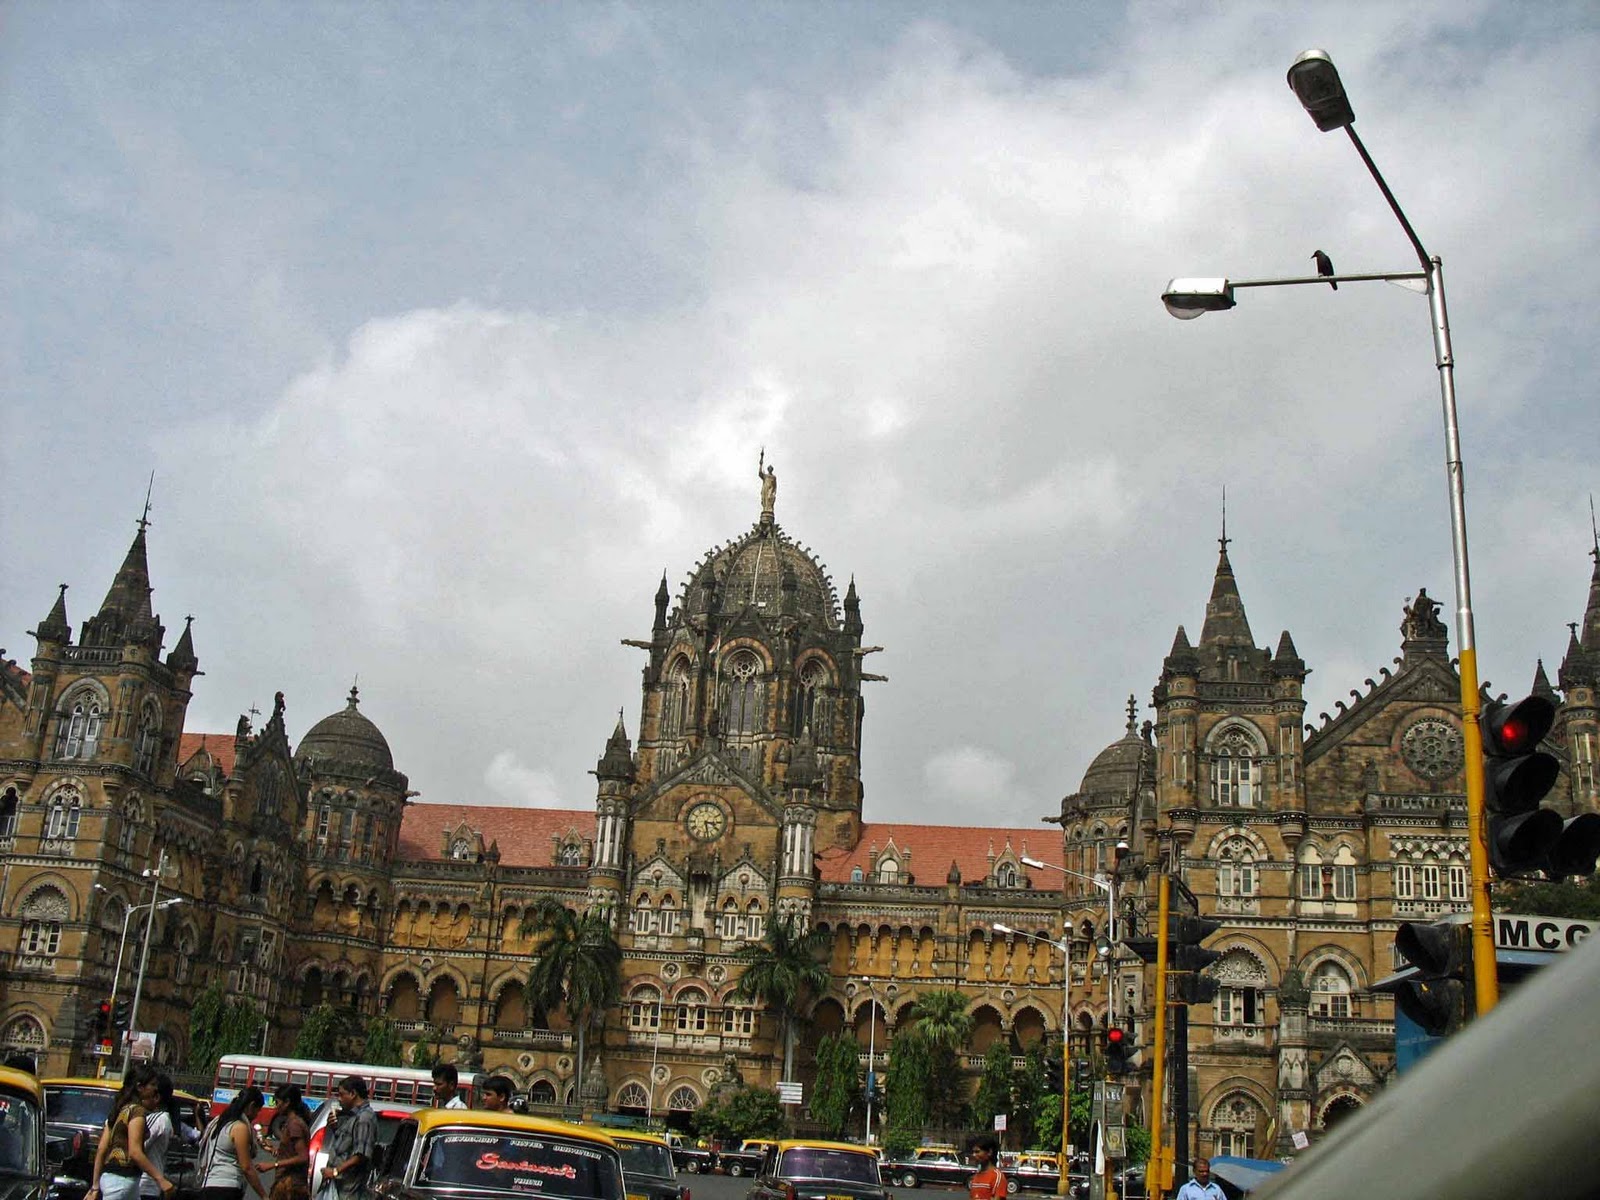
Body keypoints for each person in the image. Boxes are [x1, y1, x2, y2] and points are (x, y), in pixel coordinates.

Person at [88, 1065, 176, 1200]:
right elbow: (135, 1152)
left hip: (111, 1179)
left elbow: (101, 1149)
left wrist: (95, 1186)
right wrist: (160, 1180)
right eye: (152, 1084)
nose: (155, 1089)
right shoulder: (137, 1112)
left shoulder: (119, 1110)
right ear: (140, 1087)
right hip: (124, 1181)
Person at [196, 1085, 267, 1200]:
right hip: (228, 1187)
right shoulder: (239, 1127)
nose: (256, 1116)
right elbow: (246, 1167)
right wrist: (264, 1195)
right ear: (251, 1106)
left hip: (208, 1184)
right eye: (257, 1111)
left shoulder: (217, 1122)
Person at [137, 1075, 199, 1200]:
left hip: (145, 1184)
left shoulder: (159, 1119)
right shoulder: (166, 1120)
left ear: (156, 1096)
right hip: (151, 1185)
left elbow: (137, 1149)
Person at [318, 1076, 376, 1198]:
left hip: (350, 1188)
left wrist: (335, 1171)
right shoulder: (351, 1116)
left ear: (353, 1094)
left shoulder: (364, 1118)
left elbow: (360, 1155)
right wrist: (334, 1127)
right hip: (338, 1186)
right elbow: (345, 1145)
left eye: (341, 1095)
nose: (339, 1099)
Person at [263, 1084, 310, 1200]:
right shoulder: (291, 1123)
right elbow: (292, 1152)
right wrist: (275, 1150)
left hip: (292, 1185)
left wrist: (273, 1164)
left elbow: (302, 1156)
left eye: (277, 1102)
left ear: (287, 1102)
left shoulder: (294, 1124)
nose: (276, 1106)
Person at [965, 1134, 1007, 1200]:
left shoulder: (997, 1177)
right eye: (973, 1152)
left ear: (989, 1152)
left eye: (977, 1151)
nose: (974, 1155)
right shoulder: (975, 1177)